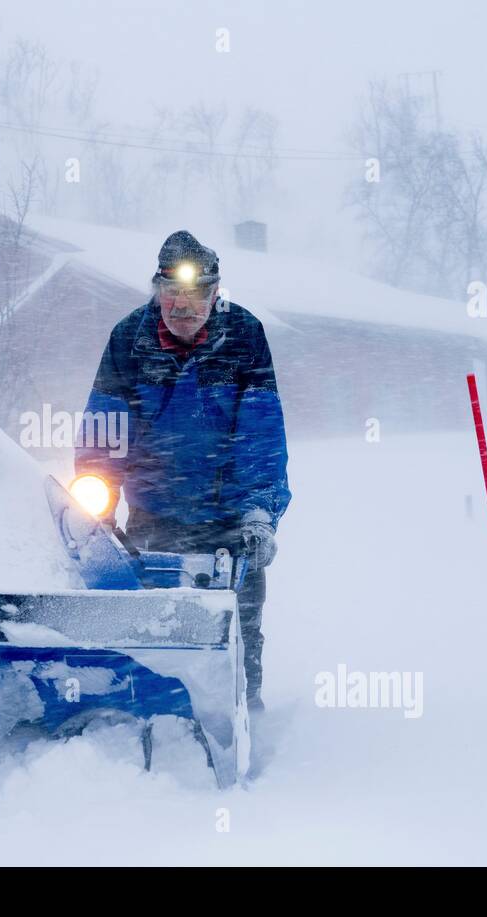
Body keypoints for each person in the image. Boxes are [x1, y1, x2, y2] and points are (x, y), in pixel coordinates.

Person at [74, 230, 291, 710]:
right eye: (171, 293)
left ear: (216, 294)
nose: (182, 306)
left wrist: (259, 511)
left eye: (195, 294)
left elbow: (260, 432)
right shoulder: (129, 339)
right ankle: (152, 712)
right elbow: (105, 429)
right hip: (155, 517)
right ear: (156, 291)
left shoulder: (244, 338)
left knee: (237, 629)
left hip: (230, 523)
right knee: (149, 627)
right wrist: (98, 504)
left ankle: (241, 716)